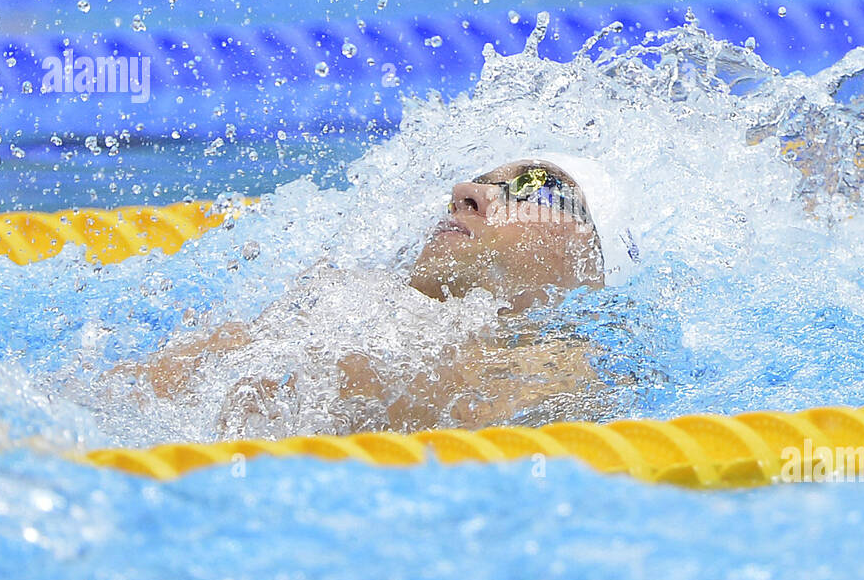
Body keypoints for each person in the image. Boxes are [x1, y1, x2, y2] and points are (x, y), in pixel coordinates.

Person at [110, 157, 636, 434]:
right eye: (478, 180)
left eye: (534, 187)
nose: (465, 194)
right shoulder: (338, 302)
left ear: (589, 254)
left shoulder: (576, 379)